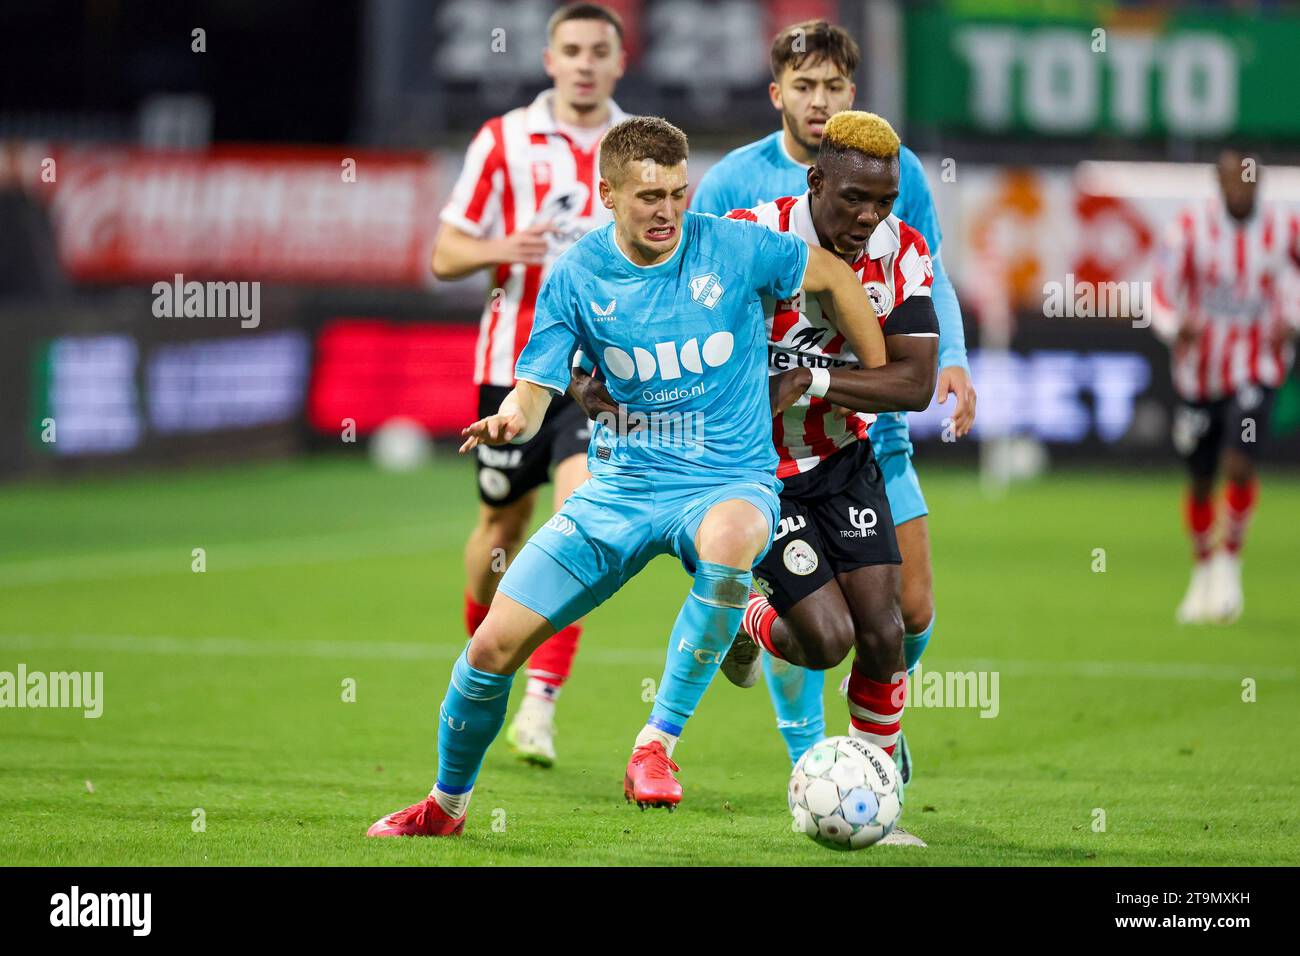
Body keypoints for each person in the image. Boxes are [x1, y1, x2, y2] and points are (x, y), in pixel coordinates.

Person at [367, 115, 888, 837]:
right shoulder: (577, 274)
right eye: (649, 197)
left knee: (735, 534)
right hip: (621, 489)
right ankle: (445, 807)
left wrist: (875, 367)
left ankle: (656, 744)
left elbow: (829, 272)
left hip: (726, 481)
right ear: (607, 193)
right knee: (489, 646)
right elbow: (536, 381)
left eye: (677, 193)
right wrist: (514, 417)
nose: (667, 211)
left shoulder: (731, 247)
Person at [691, 19, 976, 784]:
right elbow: (688, 304)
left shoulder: (898, 200)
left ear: (851, 90)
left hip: (856, 447)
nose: (869, 219)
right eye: (804, 85)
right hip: (760, 460)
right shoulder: (740, 208)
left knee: (898, 621)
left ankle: (871, 782)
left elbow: (914, 360)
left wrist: (949, 358)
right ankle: (798, 719)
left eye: (832, 85)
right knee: (824, 635)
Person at [431, 3, 627, 766]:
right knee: (501, 533)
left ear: (618, 61)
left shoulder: (635, 145)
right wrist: (499, 246)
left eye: (598, 51)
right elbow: (444, 255)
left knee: (580, 518)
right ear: (549, 59)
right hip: (511, 371)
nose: (584, 63)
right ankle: (487, 651)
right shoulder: (503, 139)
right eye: (571, 50)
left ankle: (541, 702)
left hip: (602, 378)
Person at [1152, 149, 1300, 624]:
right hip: (1199, 373)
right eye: (1229, 179)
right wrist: (1176, 326)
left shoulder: (1284, 231)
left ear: (1260, 183)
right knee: (1199, 477)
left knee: (1239, 459)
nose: (1238, 188)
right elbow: (1158, 291)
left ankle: (1229, 566)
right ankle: (1202, 573)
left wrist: (1293, 321)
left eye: (1246, 179)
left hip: (1257, 364)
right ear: (1218, 184)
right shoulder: (1191, 230)